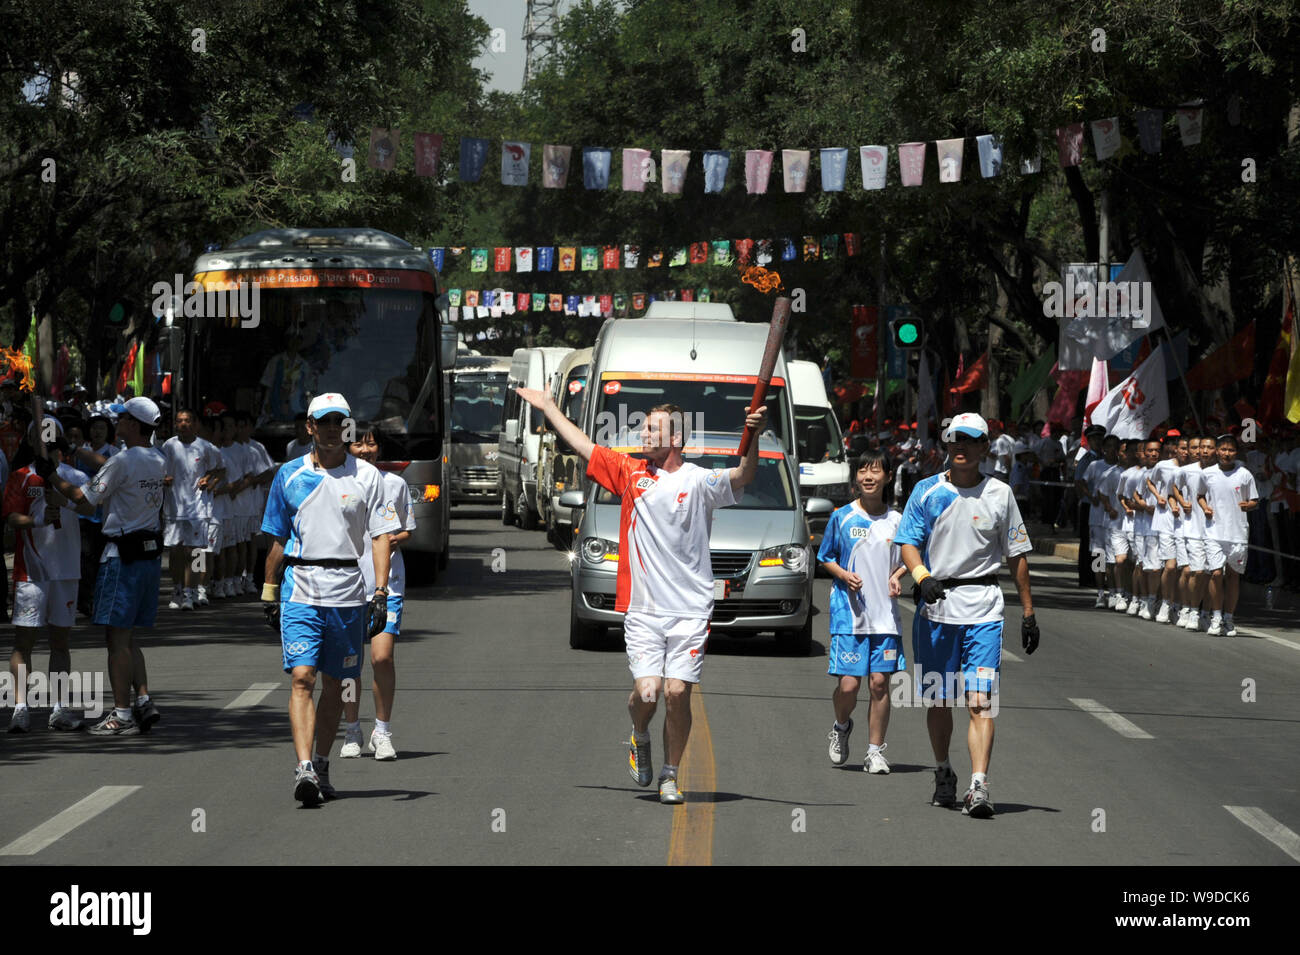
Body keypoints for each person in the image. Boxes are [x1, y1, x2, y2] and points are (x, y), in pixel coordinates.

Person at [516, 386, 766, 805]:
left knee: (676, 692)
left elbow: (743, 476)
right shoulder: (630, 474)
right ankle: (639, 733)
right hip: (645, 610)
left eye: (653, 429)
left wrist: (753, 434)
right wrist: (549, 408)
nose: (644, 434)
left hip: (689, 610)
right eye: (644, 427)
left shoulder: (699, 481)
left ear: (676, 439)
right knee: (648, 692)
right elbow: (583, 446)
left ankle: (670, 775)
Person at [895, 412, 1037, 819]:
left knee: (980, 701)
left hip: (984, 607)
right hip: (937, 609)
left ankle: (979, 785)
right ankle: (943, 771)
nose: (961, 446)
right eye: (955, 439)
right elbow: (908, 543)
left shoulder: (1000, 494)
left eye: (970, 440)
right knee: (939, 700)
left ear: (984, 448)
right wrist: (922, 578)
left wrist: (1028, 612)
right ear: (947, 444)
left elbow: (1017, 556)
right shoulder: (926, 490)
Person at [261, 393, 398, 806]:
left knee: (337, 687)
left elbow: (381, 537)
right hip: (301, 585)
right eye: (324, 422)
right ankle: (303, 768)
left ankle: (321, 762)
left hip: (348, 589)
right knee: (302, 677)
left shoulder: (367, 477)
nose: (332, 430)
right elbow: (277, 539)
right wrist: (269, 591)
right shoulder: (288, 475)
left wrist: (379, 594)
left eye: (340, 422)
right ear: (309, 427)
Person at [34, 397, 165, 736]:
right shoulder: (156, 459)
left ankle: (121, 716)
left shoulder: (123, 462)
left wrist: (52, 475)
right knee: (129, 636)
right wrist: (72, 450)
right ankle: (143, 700)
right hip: (147, 557)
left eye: (121, 419)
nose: (116, 422)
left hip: (121, 558)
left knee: (116, 640)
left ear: (133, 425)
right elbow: (106, 466)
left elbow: (83, 498)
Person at [819, 449, 907, 773]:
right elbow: (826, 556)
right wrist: (843, 574)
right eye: (862, 471)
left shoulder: (898, 521)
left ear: (887, 477)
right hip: (849, 614)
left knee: (880, 684)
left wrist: (897, 577)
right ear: (856, 477)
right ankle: (841, 726)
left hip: (885, 617)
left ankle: (874, 751)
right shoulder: (842, 516)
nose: (868, 477)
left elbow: (911, 561)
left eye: (875, 471)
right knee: (849, 686)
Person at [339, 423, 416, 761]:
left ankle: (382, 732)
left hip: (387, 585)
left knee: (381, 657)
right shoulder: (338, 484)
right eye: (358, 444)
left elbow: (406, 530)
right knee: (349, 662)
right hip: (345, 586)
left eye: (371, 444)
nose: (366, 450)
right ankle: (352, 730)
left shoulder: (394, 485)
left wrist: (387, 538)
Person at [4, 427, 87, 731]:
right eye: (40, 438)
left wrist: (63, 499)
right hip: (32, 571)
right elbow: (12, 519)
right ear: (29, 441)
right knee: (24, 641)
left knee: (60, 643)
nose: (46, 443)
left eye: (52, 439)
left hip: (65, 570)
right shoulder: (20, 476)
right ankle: (20, 709)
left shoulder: (72, 477)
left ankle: (59, 710)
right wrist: (38, 519)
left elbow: (91, 508)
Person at [161, 409, 225, 610]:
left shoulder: (206, 447)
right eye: (179, 421)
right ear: (175, 424)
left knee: (196, 551)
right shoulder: (168, 446)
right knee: (176, 552)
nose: (183, 424)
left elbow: (220, 469)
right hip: (174, 506)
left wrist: (209, 481)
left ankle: (193, 590)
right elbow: (158, 469)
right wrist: (164, 479)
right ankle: (178, 589)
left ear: (195, 424)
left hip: (198, 507)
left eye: (187, 420)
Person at [1198, 433, 1259, 636]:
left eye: (1231, 450)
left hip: (1237, 533)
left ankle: (1229, 619)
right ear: (1216, 451)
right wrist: (1205, 507)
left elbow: (1254, 501)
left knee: (1233, 576)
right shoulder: (1207, 473)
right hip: (1214, 532)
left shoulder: (1245, 474)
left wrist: (1248, 505)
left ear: (1236, 452)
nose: (1227, 453)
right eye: (1223, 449)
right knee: (1216, 574)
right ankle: (1215, 616)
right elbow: (1200, 495)